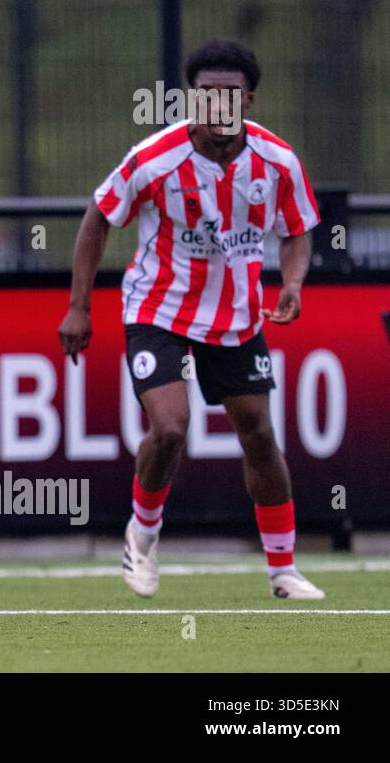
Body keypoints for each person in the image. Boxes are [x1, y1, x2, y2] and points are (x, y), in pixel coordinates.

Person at [58, 38, 325, 600]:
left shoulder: (278, 162)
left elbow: (298, 228)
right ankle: (144, 535)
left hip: (236, 316)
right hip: (159, 308)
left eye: (229, 94)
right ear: (192, 99)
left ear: (248, 100)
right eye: (207, 95)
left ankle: (283, 568)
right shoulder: (156, 157)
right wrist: (80, 305)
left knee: (258, 432)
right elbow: (98, 217)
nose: (218, 105)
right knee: (171, 428)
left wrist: (293, 283)